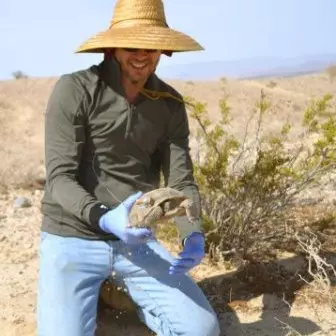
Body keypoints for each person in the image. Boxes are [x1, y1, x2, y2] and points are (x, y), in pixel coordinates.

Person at [37, 0, 221, 335]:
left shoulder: (169, 104)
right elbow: (59, 178)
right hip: (71, 236)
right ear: (112, 47)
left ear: (164, 50)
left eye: (150, 46)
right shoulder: (75, 89)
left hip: (134, 241)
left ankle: (123, 296)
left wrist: (191, 232)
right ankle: (96, 294)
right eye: (132, 45)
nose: (141, 54)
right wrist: (105, 217)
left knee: (201, 329)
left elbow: (181, 180)